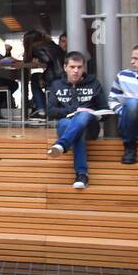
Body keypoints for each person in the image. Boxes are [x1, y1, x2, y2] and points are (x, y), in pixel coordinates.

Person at [45, 51, 107, 190]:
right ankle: (81, 175)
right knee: (73, 125)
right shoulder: (57, 85)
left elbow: (105, 109)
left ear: (84, 68)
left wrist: (92, 114)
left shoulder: (93, 83)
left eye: (79, 67)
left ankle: (62, 145)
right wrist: (74, 111)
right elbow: (50, 111)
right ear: (65, 67)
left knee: (84, 115)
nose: (76, 70)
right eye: (72, 67)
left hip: (90, 127)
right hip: (66, 125)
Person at [109, 44, 138, 181]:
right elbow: (113, 99)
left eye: (136, 58)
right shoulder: (123, 76)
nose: (132, 62)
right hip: (129, 124)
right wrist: (126, 112)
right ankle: (130, 148)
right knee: (132, 102)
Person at [21, 29, 65, 119]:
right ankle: (42, 108)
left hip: (54, 77)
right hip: (62, 75)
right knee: (37, 77)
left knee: (34, 78)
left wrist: (37, 59)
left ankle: (41, 110)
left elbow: (47, 59)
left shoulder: (36, 46)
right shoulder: (51, 44)